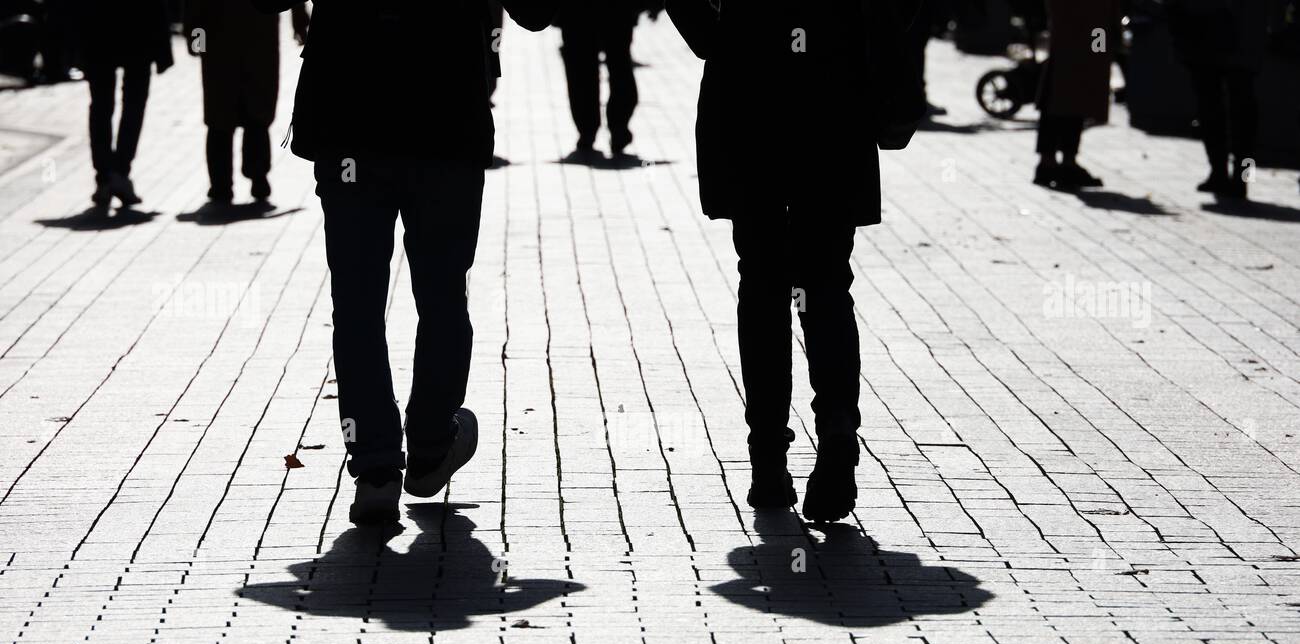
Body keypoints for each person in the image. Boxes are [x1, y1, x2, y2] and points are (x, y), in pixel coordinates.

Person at [253, 0, 558, 526]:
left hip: (351, 127)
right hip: (444, 125)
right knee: (441, 295)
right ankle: (431, 443)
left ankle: (374, 467)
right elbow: (534, 10)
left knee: (357, 304)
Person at [665, 0, 926, 523]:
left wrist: (719, 39)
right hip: (834, 92)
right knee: (826, 282)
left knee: (763, 284)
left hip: (750, 94)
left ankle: (767, 455)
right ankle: (836, 435)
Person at [184, 0, 309, 206]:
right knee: (255, 107)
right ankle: (256, 175)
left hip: (221, 30)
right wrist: (299, 19)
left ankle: (222, 183)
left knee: (222, 110)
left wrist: (194, 28)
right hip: (256, 28)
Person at [71, 0, 174, 208]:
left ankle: (105, 176)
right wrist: (163, 49)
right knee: (133, 105)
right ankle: (119, 172)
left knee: (101, 106)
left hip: (98, 31)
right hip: (138, 31)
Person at [1168, 0, 1270, 200]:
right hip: (1222, 32)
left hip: (1216, 30)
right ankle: (1231, 175)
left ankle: (1228, 174)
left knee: (1224, 109)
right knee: (1233, 112)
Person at [1033, 0, 1122, 191]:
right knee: (1072, 98)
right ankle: (1062, 162)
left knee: (1064, 100)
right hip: (1086, 35)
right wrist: (1100, 50)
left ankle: (1056, 161)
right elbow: (1099, 18)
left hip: (1073, 38)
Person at [556, 1, 651, 160]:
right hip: (616, 8)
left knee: (581, 71)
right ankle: (618, 127)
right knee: (620, 66)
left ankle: (588, 129)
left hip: (577, 10)